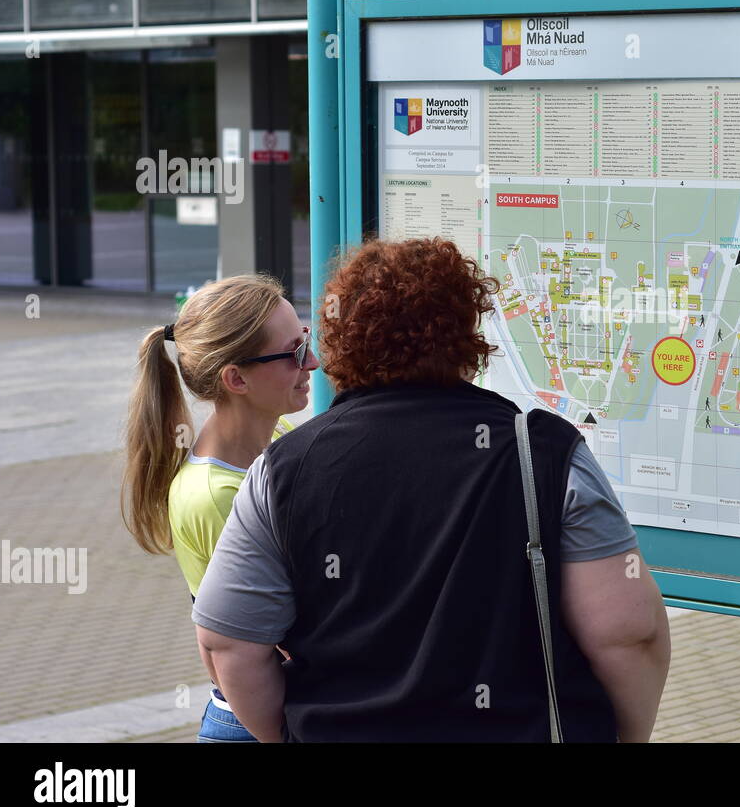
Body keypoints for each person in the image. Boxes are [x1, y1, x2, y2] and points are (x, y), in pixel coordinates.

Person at [192, 237, 672, 742]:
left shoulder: (281, 470)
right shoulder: (543, 452)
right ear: (467, 333)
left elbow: (228, 642)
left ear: (342, 339)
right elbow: (629, 635)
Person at [120, 273, 319, 742]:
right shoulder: (214, 494)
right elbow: (252, 637)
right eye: (293, 353)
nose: (312, 361)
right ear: (236, 379)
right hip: (258, 720)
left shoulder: (276, 437)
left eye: (307, 340)